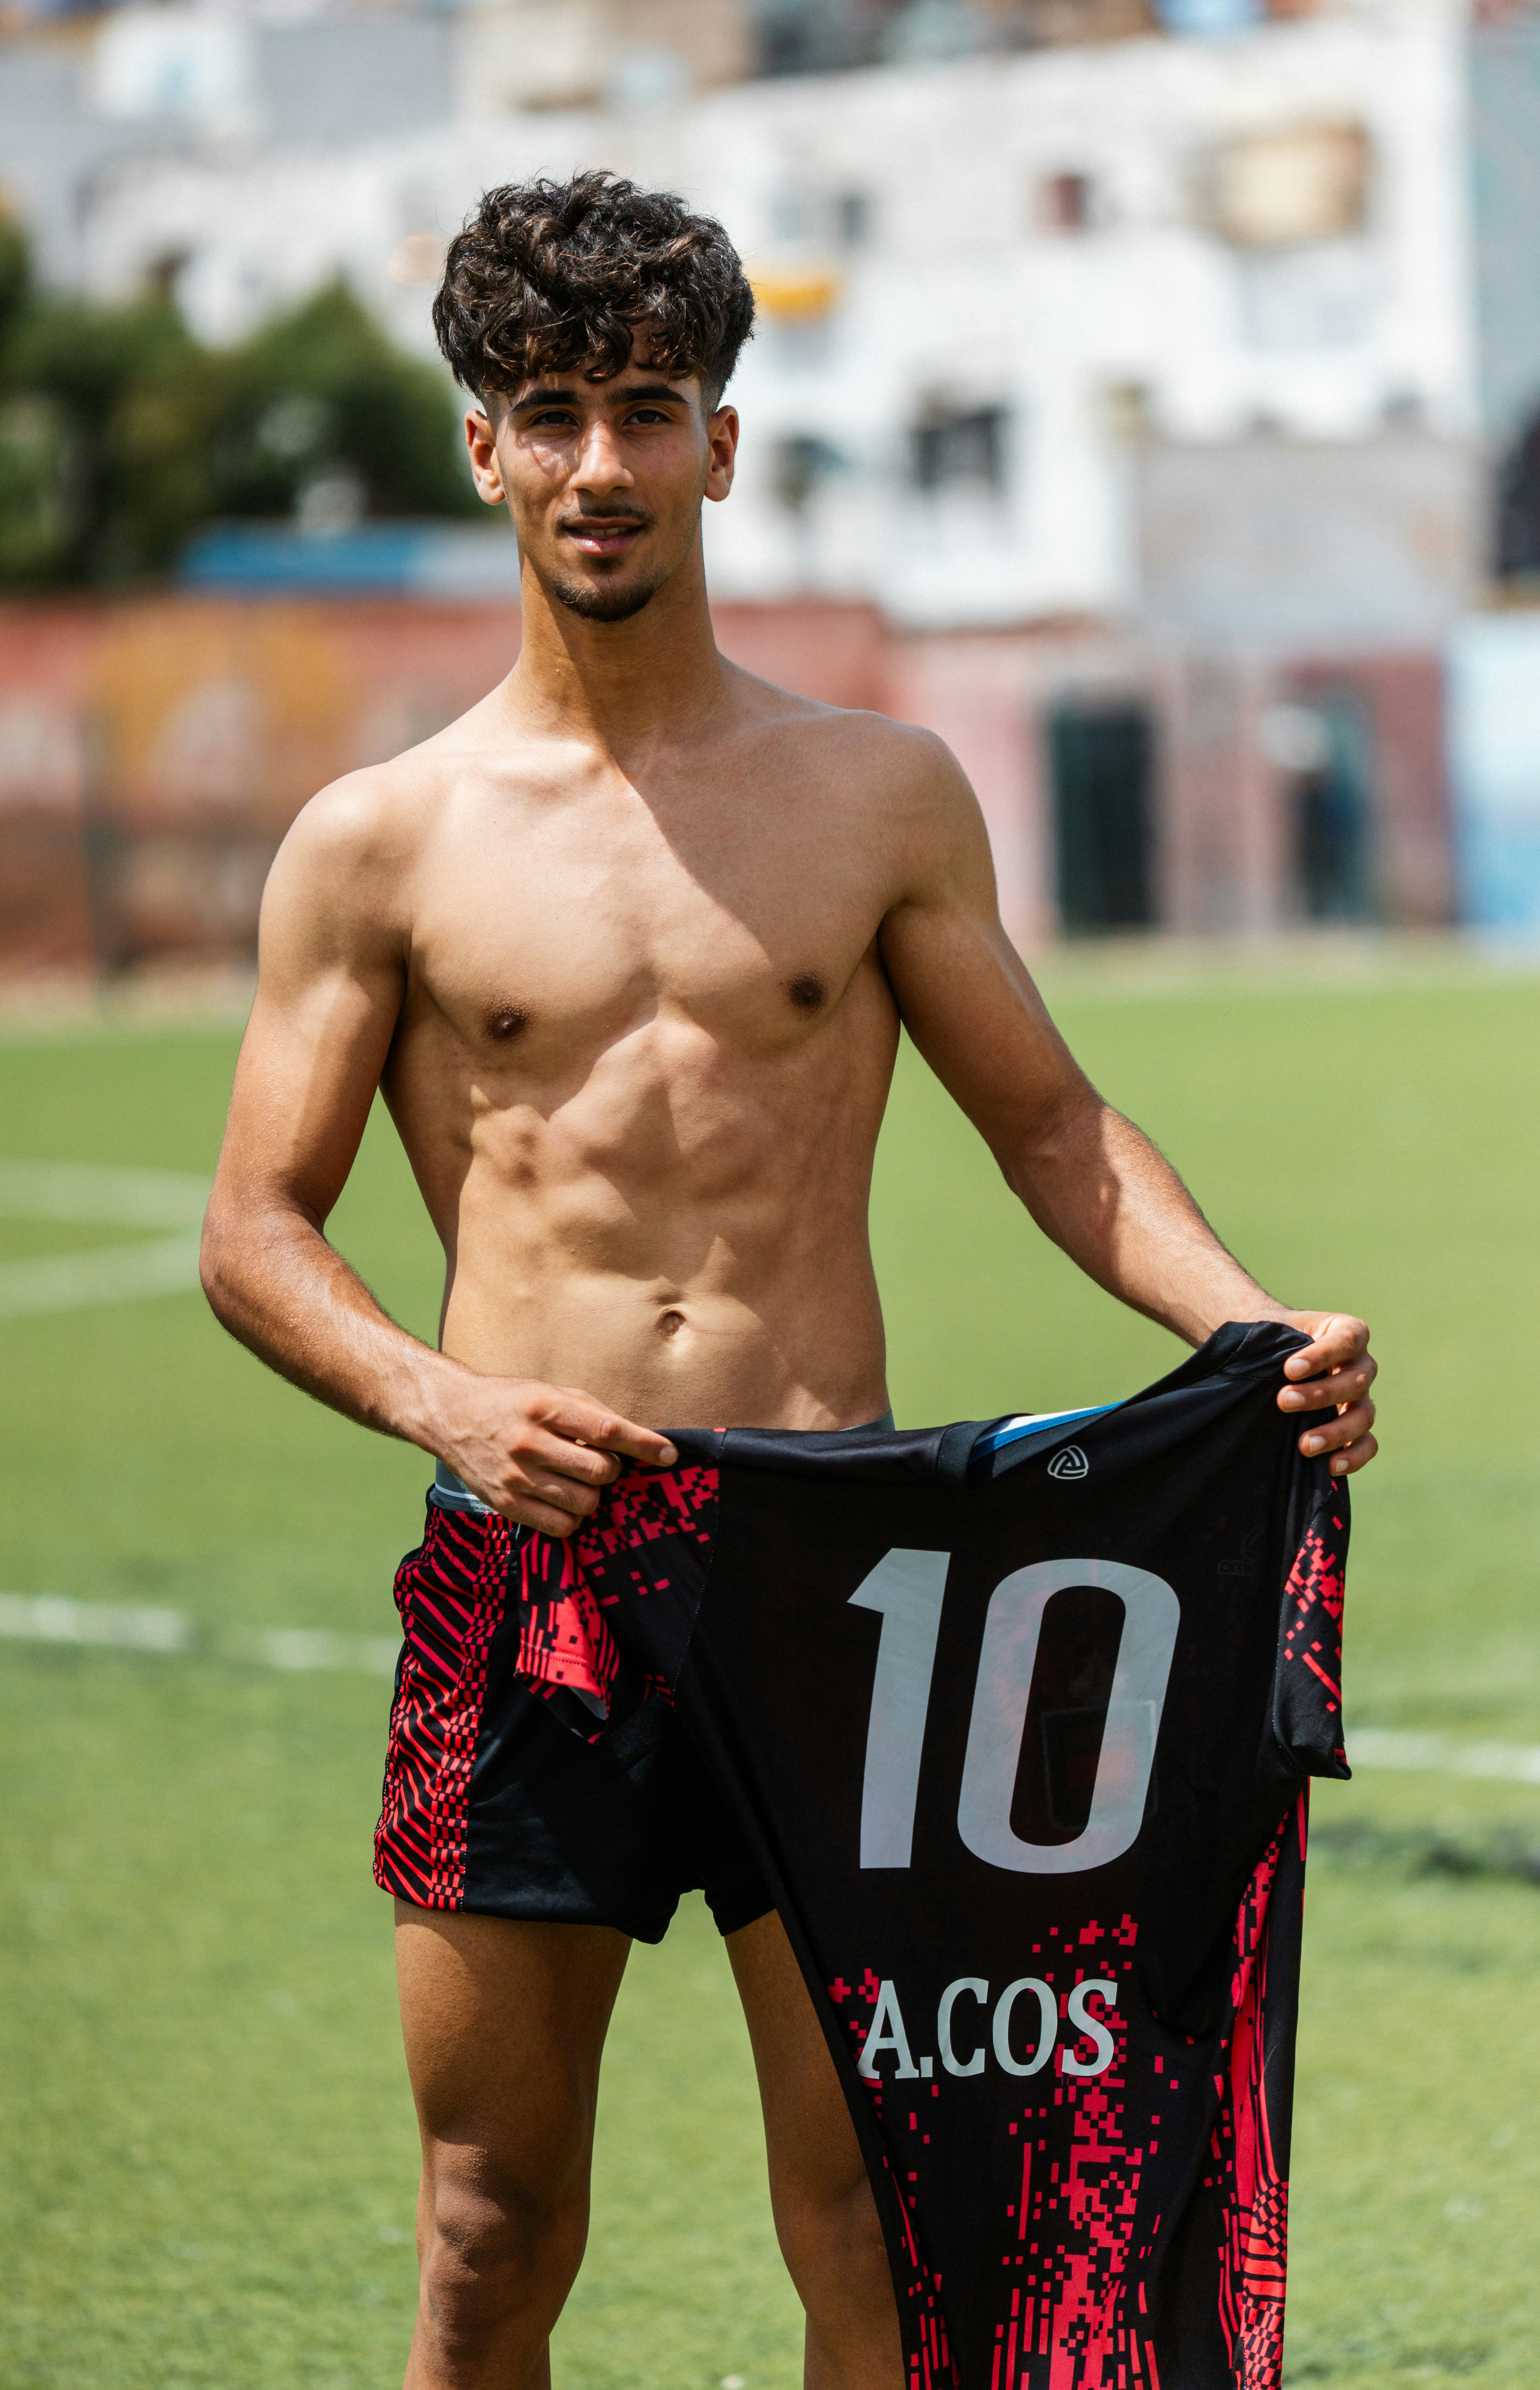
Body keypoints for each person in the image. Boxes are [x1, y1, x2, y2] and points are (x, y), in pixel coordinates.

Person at [200, 172, 1378, 2390]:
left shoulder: (878, 794)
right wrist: (441, 1403)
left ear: (720, 443)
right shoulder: (382, 839)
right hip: (522, 1574)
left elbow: (1049, 1123)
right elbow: (256, 1228)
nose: (598, 464)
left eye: (646, 406)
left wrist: (1245, 1324)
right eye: (546, 410)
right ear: (482, 448)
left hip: (831, 1588)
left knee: (872, 2217)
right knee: (483, 2231)